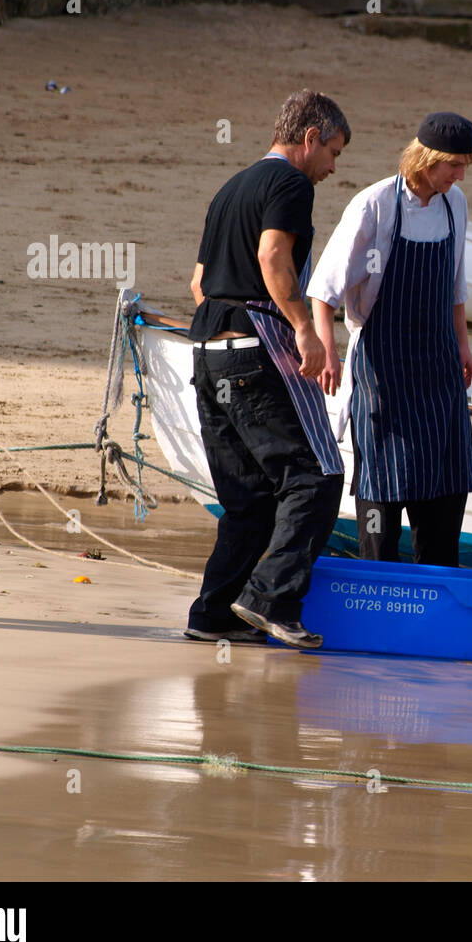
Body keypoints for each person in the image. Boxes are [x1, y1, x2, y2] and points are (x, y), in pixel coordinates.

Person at [184, 89, 349, 649]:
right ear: (309, 138)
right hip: (255, 346)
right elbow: (273, 258)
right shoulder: (290, 183)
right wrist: (305, 328)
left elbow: (199, 284)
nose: (332, 167)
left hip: (205, 350)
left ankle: (212, 614)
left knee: (249, 498)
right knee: (318, 477)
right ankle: (269, 600)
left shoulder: (230, 188)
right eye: (333, 151)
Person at [308, 112, 472, 567]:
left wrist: (462, 345)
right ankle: (376, 590)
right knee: (381, 496)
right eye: (456, 165)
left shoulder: (454, 203)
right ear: (427, 160)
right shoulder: (375, 205)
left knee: (445, 494)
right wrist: (327, 352)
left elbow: (456, 286)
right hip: (383, 372)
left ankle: (435, 601)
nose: (461, 175)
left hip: (440, 372)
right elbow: (324, 292)